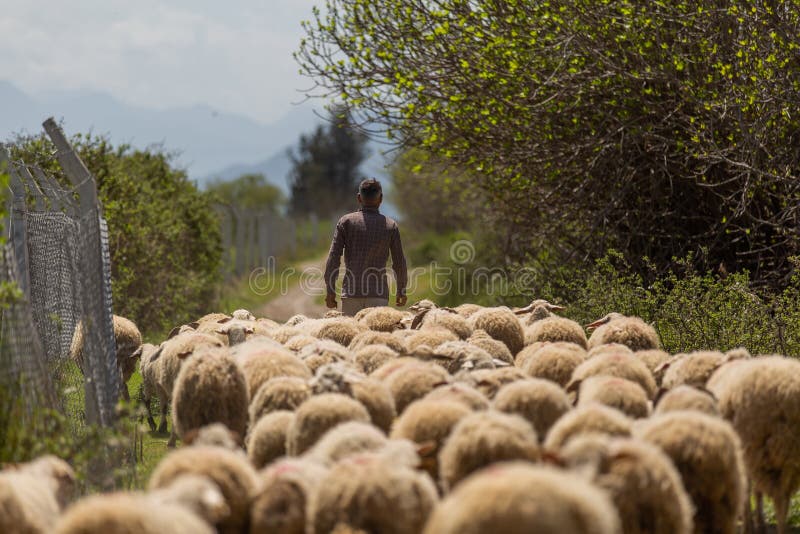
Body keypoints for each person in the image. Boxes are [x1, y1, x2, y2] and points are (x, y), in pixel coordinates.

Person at [324, 178, 408, 316]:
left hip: (351, 293)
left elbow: (333, 258)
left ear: (359, 198)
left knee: (351, 336)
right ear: (380, 199)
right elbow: (399, 262)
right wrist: (401, 289)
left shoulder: (346, 222)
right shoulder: (390, 225)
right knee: (375, 337)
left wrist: (330, 291)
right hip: (378, 295)